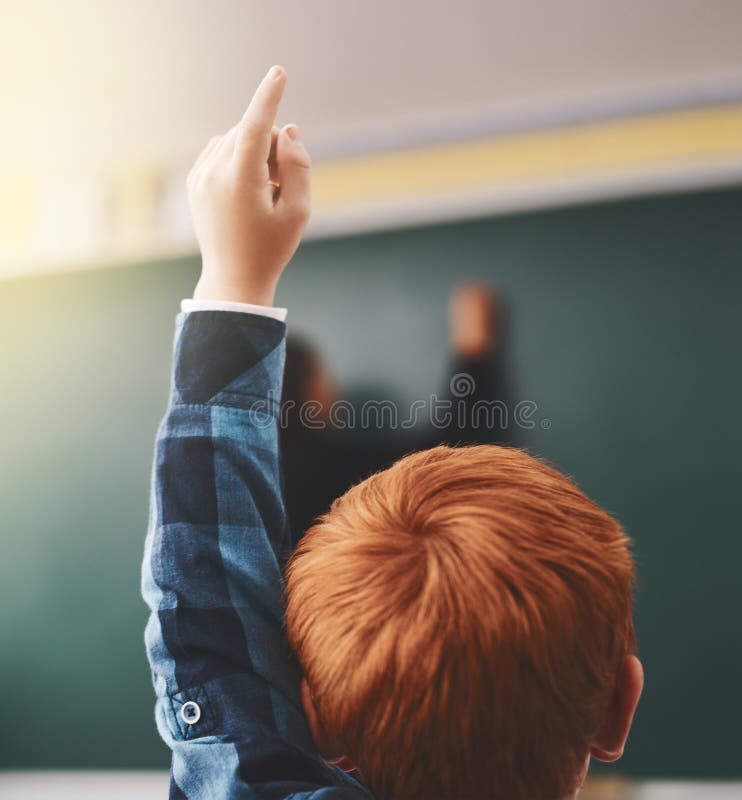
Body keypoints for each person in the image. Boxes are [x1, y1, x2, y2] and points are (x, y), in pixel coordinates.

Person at [142, 66, 643, 800]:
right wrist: (475, 350)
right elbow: (467, 432)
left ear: (313, 715)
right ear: (617, 705)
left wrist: (233, 280)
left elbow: (208, 615)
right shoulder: (340, 454)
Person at [280, 280, 508, 540]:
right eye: (320, 377)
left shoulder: (256, 468)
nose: (333, 389)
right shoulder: (324, 467)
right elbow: (451, 448)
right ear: (298, 389)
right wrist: (473, 351)